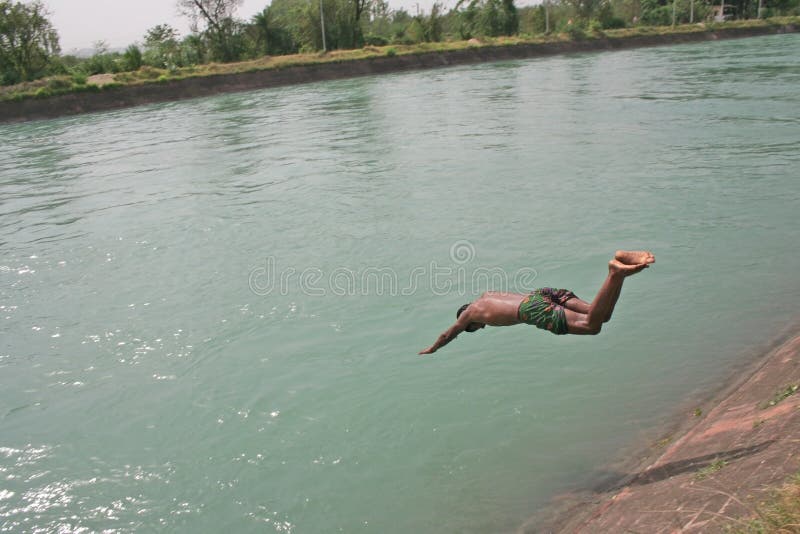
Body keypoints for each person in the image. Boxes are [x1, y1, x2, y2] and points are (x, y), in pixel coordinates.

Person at [418, 250, 655, 355]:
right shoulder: (487, 294)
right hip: (540, 294)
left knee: (591, 326)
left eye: (476, 328)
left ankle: (614, 273)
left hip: (531, 308)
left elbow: (448, 334)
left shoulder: (470, 313)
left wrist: (433, 348)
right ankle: (621, 265)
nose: (481, 327)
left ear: (470, 323)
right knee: (601, 316)